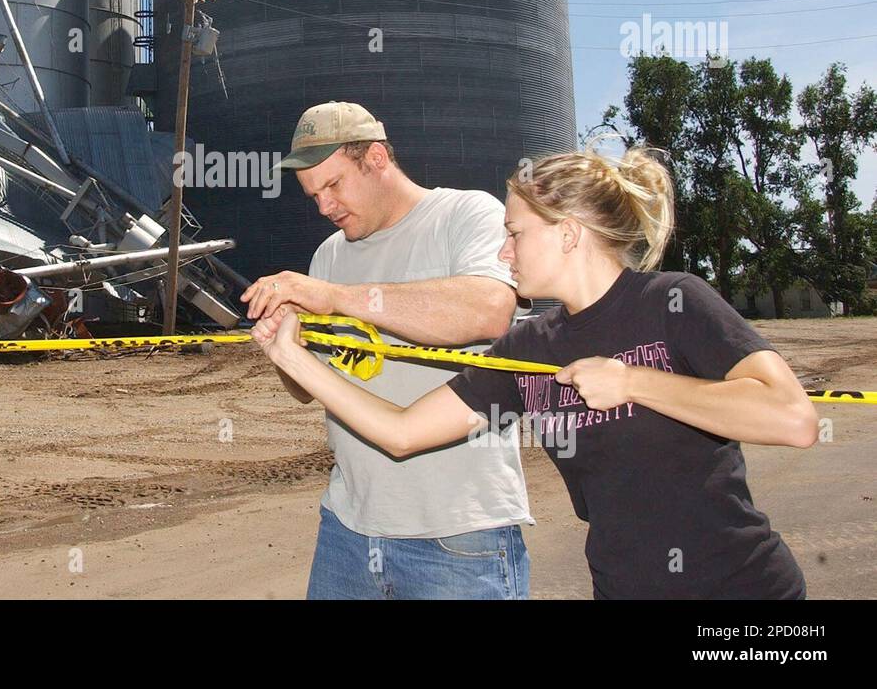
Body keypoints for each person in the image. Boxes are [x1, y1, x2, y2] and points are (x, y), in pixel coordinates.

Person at [253, 139, 817, 599]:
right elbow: (401, 434)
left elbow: (793, 418)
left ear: (568, 233)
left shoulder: (673, 301)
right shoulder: (532, 347)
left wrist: (634, 381)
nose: (503, 252)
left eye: (515, 234)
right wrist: (292, 357)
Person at [241, 101, 533, 600]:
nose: (325, 207)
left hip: (458, 536)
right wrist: (284, 347)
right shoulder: (330, 255)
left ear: (376, 158)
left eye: (333, 186)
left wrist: (334, 298)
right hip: (348, 528)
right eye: (313, 196)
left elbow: (489, 308)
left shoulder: (465, 214)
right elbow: (307, 390)